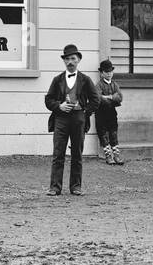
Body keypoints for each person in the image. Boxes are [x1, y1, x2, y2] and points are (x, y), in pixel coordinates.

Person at [44, 44, 101, 196]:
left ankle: (76, 187)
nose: (70, 61)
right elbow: (48, 100)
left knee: (77, 154)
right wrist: (59, 106)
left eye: (73, 59)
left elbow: (96, 100)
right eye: (67, 59)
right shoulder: (57, 80)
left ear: (78, 60)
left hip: (78, 119)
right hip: (61, 120)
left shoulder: (85, 80)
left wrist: (84, 112)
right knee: (58, 154)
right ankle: (55, 187)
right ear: (64, 61)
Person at [95, 59, 125, 167]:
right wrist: (112, 98)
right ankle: (108, 156)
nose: (109, 74)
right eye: (106, 72)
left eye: (110, 71)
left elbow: (120, 97)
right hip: (101, 113)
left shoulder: (114, 84)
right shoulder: (98, 85)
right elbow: (98, 98)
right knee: (103, 135)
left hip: (112, 113)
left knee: (113, 133)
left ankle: (116, 155)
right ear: (102, 73)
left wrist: (108, 97)